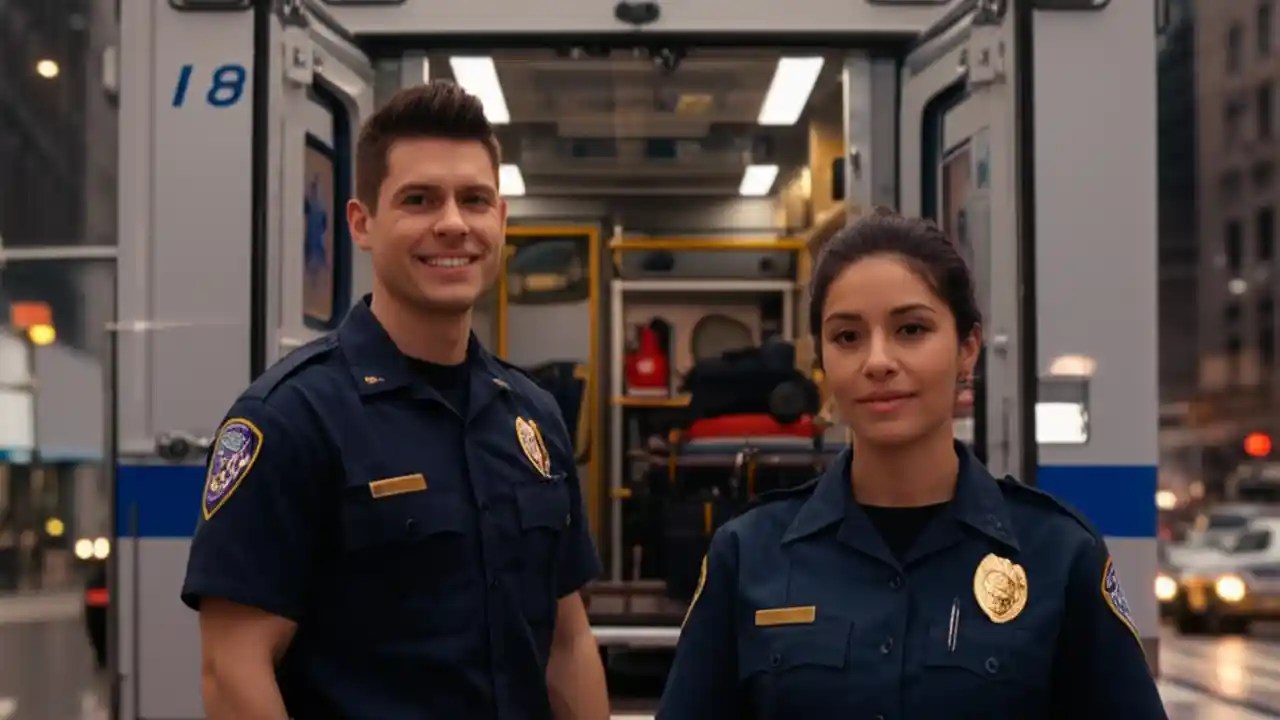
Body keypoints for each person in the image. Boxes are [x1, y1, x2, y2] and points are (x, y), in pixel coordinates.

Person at [181, 80, 610, 720]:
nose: (453, 224)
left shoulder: (533, 416)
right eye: (419, 199)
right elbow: (233, 671)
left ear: (500, 221)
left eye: (474, 200)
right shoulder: (290, 420)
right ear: (362, 223)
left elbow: (567, 643)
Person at [655, 209, 1168, 719]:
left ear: (967, 348)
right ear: (823, 360)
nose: (877, 361)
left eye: (911, 329)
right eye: (848, 337)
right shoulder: (748, 557)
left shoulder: (1058, 557)